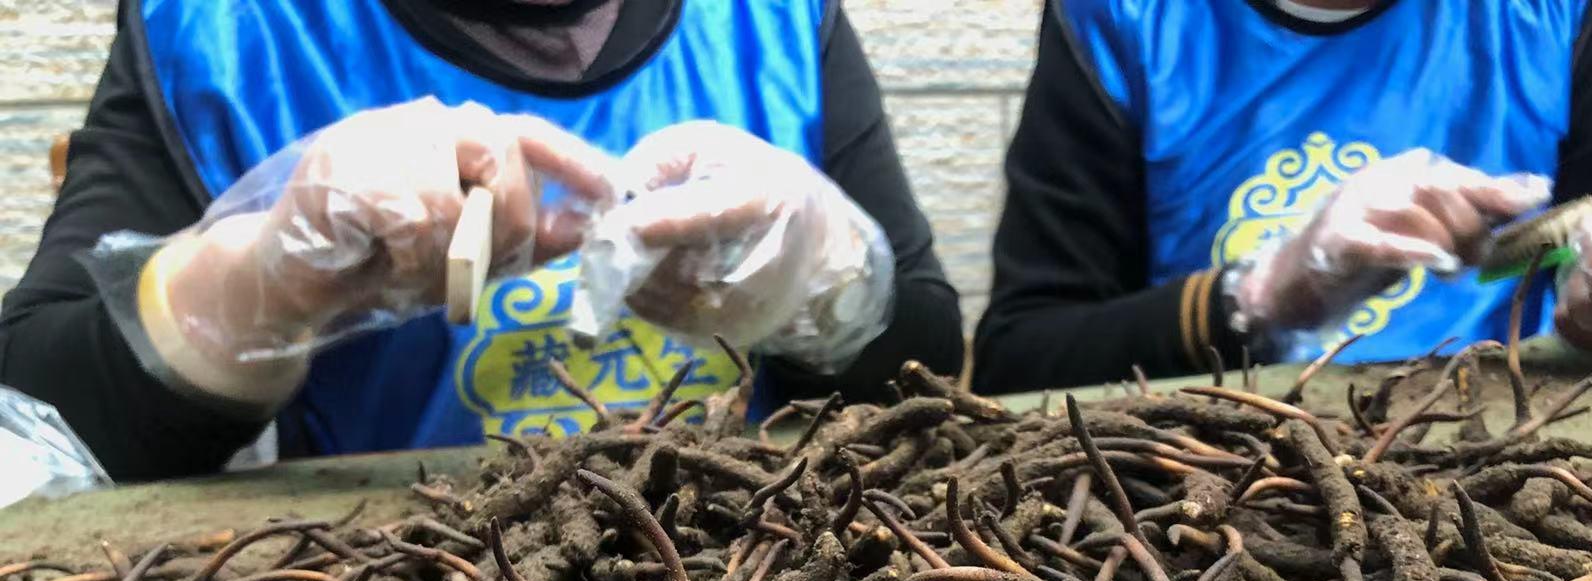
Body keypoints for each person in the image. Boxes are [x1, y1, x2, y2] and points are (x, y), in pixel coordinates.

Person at [0, 0, 963, 480]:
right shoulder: (223, 30)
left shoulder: (774, 19)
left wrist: (822, 285)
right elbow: (35, 413)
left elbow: (924, 353)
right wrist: (254, 283)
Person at [972, 0, 1592, 394]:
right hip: (1219, 477)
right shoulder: (1127, 21)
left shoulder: (1544, 14)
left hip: (1516, 452)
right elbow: (1022, 355)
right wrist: (1258, 298)